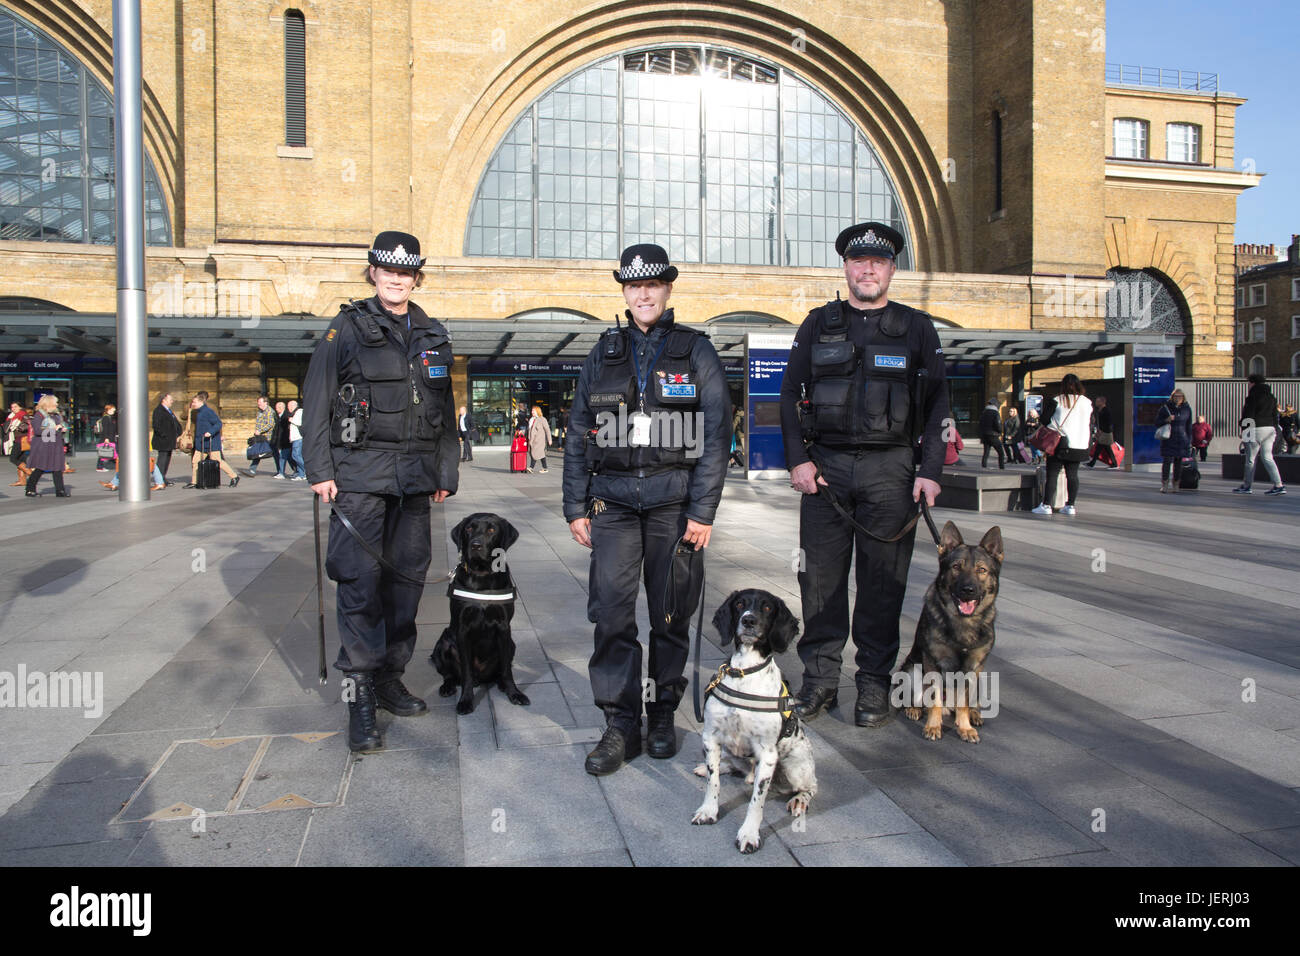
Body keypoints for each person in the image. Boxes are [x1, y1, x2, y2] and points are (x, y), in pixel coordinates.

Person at [563, 243, 729, 775]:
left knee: (671, 614)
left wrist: (702, 511)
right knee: (610, 613)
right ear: (625, 291)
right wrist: (574, 505)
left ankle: (660, 714)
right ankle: (620, 722)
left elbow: (716, 433)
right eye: (634, 286)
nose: (643, 293)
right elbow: (575, 433)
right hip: (611, 504)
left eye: (652, 284)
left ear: (667, 289)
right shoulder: (602, 352)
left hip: (673, 508)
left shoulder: (694, 350)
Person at [779, 221, 949, 728]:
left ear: (892, 269)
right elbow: (788, 395)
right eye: (859, 261)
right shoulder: (817, 323)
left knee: (882, 584)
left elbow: (939, 398)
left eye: (878, 262)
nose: (868, 269)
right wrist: (798, 460)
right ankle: (820, 683)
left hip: (891, 469)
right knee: (820, 581)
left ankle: (873, 683)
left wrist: (931, 469)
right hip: (826, 469)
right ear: (846, 268)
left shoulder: (917, 327)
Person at [302, 230, 458, 753]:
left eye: (406, 271)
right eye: (387, 270)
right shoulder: (345, 328)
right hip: (359, 479)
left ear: (416, 276)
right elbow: (317, 400)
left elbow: (446, 416)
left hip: (414, 482)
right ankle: (361, 696)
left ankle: (391, 676)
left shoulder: (433, 334)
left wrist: (446, 472)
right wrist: (320, 469)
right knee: (360, 585)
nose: (397, 278)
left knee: (406, 586)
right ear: (373, 272)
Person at [1031, 375, 1092, 516]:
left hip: (1060, 442)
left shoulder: (1057, 400)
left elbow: (1045, 420)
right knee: (1072, 475)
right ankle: (1070, 506)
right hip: (1079, 444)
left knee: (1052, 474)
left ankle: (1046, 505)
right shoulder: (1087, 402)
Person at [1234, 373, 1285, 496]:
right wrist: (1275, 429)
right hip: (1269, 430)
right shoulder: (1271, 397)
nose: (1248, 385)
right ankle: (1279, 485)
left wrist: (1243, 430)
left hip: (1255, 430)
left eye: (1249, 383)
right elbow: (1275, 416)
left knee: (1250, 459)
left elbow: (1248, 415)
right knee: (1268, 457)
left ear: (1252, 383)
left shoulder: (1252, 396)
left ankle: (1247, 486)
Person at [186, 391, 240, 488]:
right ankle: (194, 482)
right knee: (195, 462)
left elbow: (218, 423)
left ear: (200, 402)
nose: (193, 404)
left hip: (211, 443)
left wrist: (210, 432)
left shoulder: (208, 412)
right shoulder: (199, 412)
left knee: (218, 462)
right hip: (202, 443)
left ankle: (234, 476)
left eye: (194, 402)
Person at [24, 394, 71, 497]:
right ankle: (30, 489)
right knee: (40, 467)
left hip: (55, 444)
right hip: (43, 445)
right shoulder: (39, 415)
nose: (57, 405)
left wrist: (62, 429)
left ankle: (60, 490)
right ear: (48, 404)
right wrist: (53, 429)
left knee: (57, 467)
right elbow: (37, 430)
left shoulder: (56, 415)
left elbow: (58, 426)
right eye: (55, 403)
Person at [1155, 389, 1193, 493]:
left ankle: (1176, 484)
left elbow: (1188, 425)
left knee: (1178, 463)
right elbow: (1157, 422)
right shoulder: (1165, 408)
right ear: (1172, 397)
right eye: (1176, 396)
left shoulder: (1187, 408)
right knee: (1167, 461)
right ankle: (1165, 483)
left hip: (1182, 439)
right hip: (1169, 438)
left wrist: (1190, 440)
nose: (1178, 398)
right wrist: (1166, 420)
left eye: (1180, 396)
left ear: (1183, 397)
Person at [151, 392, 184, 485]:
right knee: (162, 460)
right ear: (163, 400)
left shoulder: (168, 410)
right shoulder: (158, 410)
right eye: (170, 400)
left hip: (170, 440)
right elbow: (156, 426)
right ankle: (159, 480)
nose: (172, 401)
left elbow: (174, 423)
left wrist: (179, 432)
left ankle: (162, 478)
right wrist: (164, 435)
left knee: (167, 460)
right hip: (163, 441)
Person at [245, 395, 278, 477]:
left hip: (268, 437)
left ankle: (283, 471)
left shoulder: (269, 411)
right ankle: (252, 470)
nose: (258, 404)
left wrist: (260, 430)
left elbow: (270, 424)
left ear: (265, 403)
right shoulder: (260, 411)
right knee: (258, 452)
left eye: (260, 402)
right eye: (258, 402)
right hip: (260, 437)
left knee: (275, 454)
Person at [5, 402, 31, 486]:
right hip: (18, 439)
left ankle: (30, 472)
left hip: (21, 439)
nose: (13, 408)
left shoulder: (23, 414)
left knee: (13, 458)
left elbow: (29, 423)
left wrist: (20, 427)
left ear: (20, 407)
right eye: (12, 407)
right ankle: (22, 480)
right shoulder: (12, 416)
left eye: (15, 407)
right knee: (21, 458)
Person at [1086, 395, 1116, 468]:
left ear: (1102, 402)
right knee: (1105, 448)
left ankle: (1092, 463)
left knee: (1100, 447)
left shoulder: (1106, 411)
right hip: (1102, 431)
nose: (1096, 403)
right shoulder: (1100, 411)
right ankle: (1114, 463)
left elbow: (1108, 423)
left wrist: (1102, 431)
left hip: (1106, 432)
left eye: (1098, 401)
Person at [281, 399, 306, 480]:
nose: (288, 408)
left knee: (296, 456)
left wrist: (292, 420)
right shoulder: (294, 413)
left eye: (289, 406)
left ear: (294, 406)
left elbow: (301, 422)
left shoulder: (299, 411)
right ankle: (301, 474)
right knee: (296, 455)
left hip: (298, 438)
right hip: (294, 438)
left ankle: (305, 471)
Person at [979, 398, 1005, 469]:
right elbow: (998, 424)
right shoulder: (995, 413)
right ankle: (1001, 467)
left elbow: (980, 424)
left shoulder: (984, 412)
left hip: (985, 435)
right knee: (1001, 453)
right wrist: (1000, 431)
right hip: (993, 435)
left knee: (986, 453)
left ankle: (984, 467)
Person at [526, 405, 551, 473]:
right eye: (532, 410)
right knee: (540, 454)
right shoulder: (531, 419)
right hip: (532, 440)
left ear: (537, 411)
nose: (532, 412)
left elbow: (547, 429)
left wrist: (549, 439)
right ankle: (545, 468)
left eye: (533, 410)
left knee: (535, 453)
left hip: (539, 440)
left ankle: (531, 467)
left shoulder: (542, 419)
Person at [94, 403, 118, 471]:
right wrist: (106, 438)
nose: (114, 411)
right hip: (107, 438)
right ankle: (99, 467)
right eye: (112, 409)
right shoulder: (106, 418)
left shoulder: (109, 417)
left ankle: (100, 466)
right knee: (104, 452)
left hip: (110, 437)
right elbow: (105, 429)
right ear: (108, 410)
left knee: (107, 452)